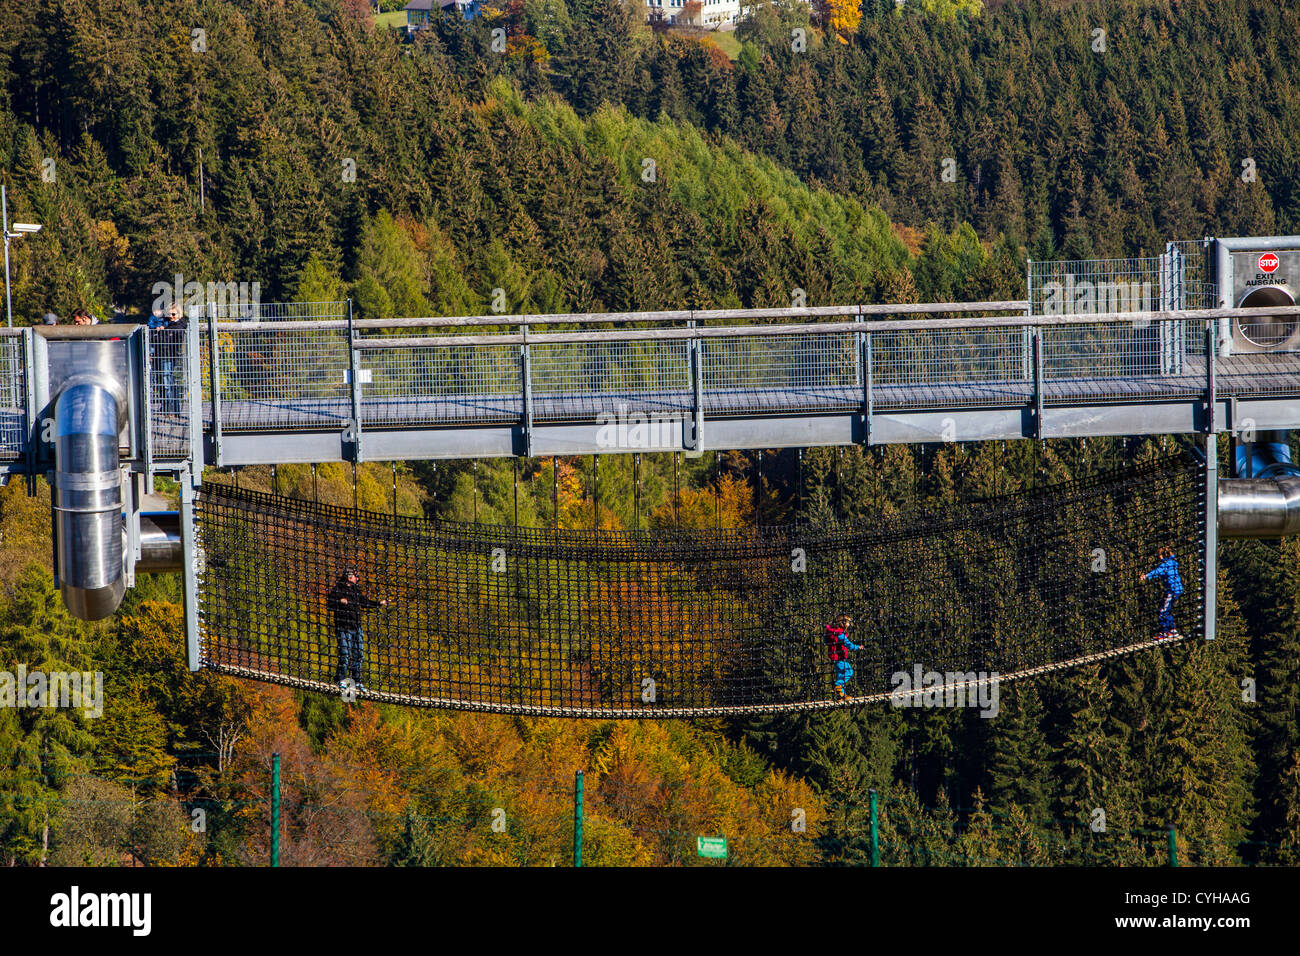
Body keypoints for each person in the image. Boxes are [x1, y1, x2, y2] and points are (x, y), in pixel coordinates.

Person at [326, 567, 389, 691]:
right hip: (343, 627)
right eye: (356, 576)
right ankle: (340, 679)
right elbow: (329, 604)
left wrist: (378, 604)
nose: (358, 578)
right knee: (345, 654)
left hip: (356, 627)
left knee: (359, 654)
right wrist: (339, 601)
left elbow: (364, 602)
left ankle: (357, 681)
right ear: (349, 577)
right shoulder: (338, 589)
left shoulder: (355, 590)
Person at [1140, 545, 1183, 641]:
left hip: (1172, 591)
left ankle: (1165, 632)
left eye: (1159, 555)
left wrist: (1146, 576)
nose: (1158, 557)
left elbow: (1157, 571)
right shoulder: (1172, 563)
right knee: (1166, 610)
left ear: (1163, 555)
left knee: (1163, 611)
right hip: (1177, 590)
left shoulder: (1166, 565)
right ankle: (1172, 630)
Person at [825, 613, 862, 700]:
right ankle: (838, 686)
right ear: (843, 623)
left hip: (836, 658)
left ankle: (841, 695)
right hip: (840, 658)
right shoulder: (840, 634)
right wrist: (857, 647)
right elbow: (848, 644)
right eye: (848, 622)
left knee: (840, 675)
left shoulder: (832, 632)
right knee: (849, 672)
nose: (849, 624)